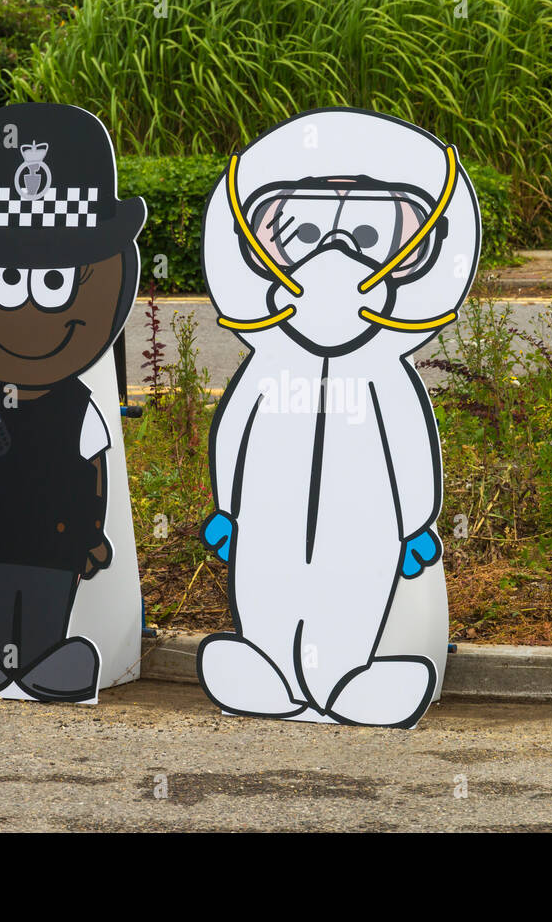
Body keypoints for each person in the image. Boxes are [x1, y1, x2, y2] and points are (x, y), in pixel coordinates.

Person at [197, 108, 480, 727]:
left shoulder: (381, 375)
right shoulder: (270, 367)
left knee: (352, 589)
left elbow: (408, 443)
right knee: (267, 583)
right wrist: (228, 506)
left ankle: (350, 676)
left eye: (367, 239)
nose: (334, 260)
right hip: (265, 519)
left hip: (369, 523)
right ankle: (266, 664)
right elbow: (237, 430)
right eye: (303, 237)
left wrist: (412, 523)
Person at [0, 104, 144, 702]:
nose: (25, 313)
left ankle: (47, 660)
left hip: (53, 546)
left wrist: (93, 534)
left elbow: (96, 472)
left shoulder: (80, 408)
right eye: (3, 279)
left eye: (54, 282)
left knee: (46, 606)